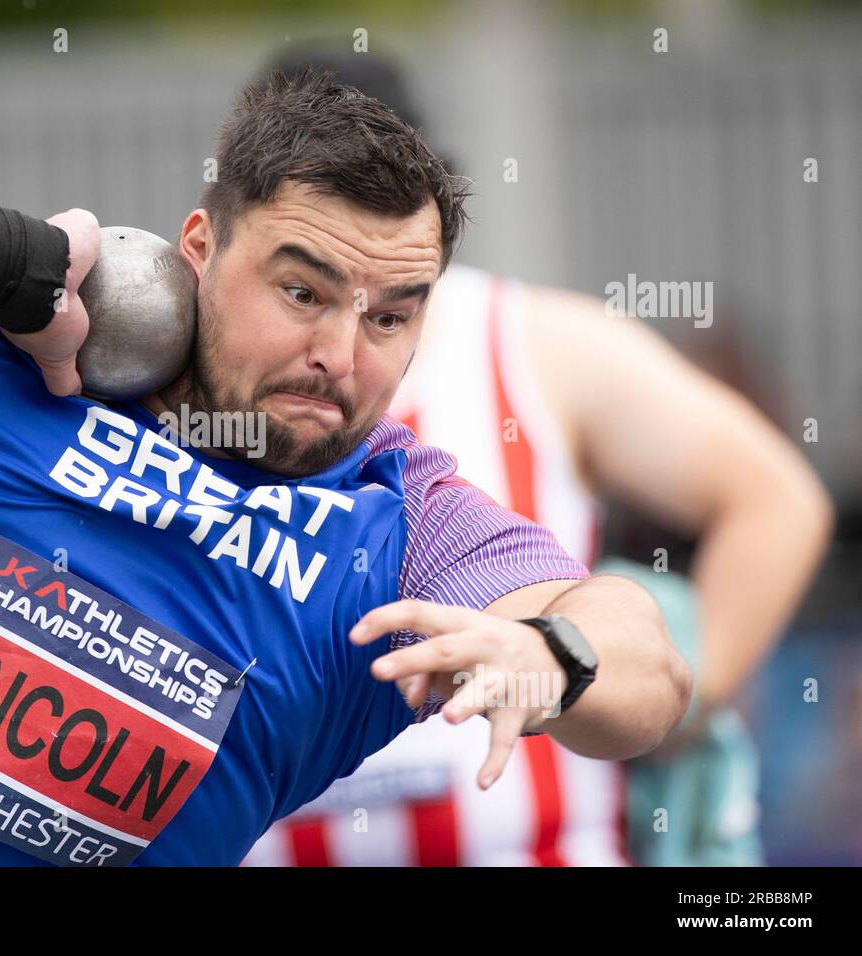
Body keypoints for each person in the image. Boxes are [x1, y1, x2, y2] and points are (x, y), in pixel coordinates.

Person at [0, 69, 690, 866]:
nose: (341, 355)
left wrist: (554, 651)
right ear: (197, 250)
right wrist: (2, 262)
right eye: (300, 291)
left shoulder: (398, 529)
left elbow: (648, 672)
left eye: (392, 317)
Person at [245, 49, 833, 867]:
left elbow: (775, 499)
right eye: (303, 279)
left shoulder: (535, 341)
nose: (337, 348)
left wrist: (684, 701)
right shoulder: (192, 358)